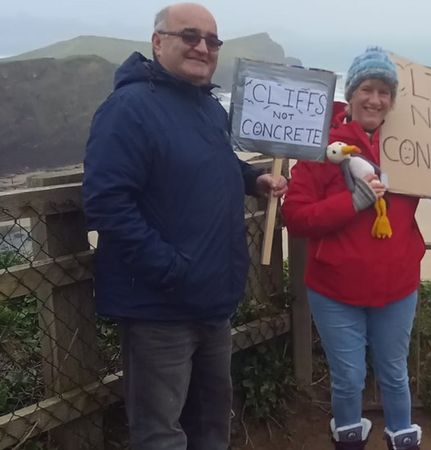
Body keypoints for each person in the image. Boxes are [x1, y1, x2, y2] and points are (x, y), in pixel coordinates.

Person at [81, 3, 287, 449]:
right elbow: (107, 204)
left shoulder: (207, 107)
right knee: (161, 433)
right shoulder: (128, 109)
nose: (202, 47)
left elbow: (213, 162)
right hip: (159, 307)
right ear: (158, 42)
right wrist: (172, 270)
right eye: (189, 36)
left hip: (211, 300)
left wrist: (253, 179)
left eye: (212, 41)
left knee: (212, 423)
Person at [282, 47, 431, 450]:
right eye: (367, 88)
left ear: (393, 100)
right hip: (334, 291)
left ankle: (402, 438)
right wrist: (351, 203)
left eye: (385, 91)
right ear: (351, 94)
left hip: (397, 287)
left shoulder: (411, 148)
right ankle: (349, 437)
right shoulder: (323, 148)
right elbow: (294, 216)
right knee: (348, 377)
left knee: (394, 371)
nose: (375, 99)